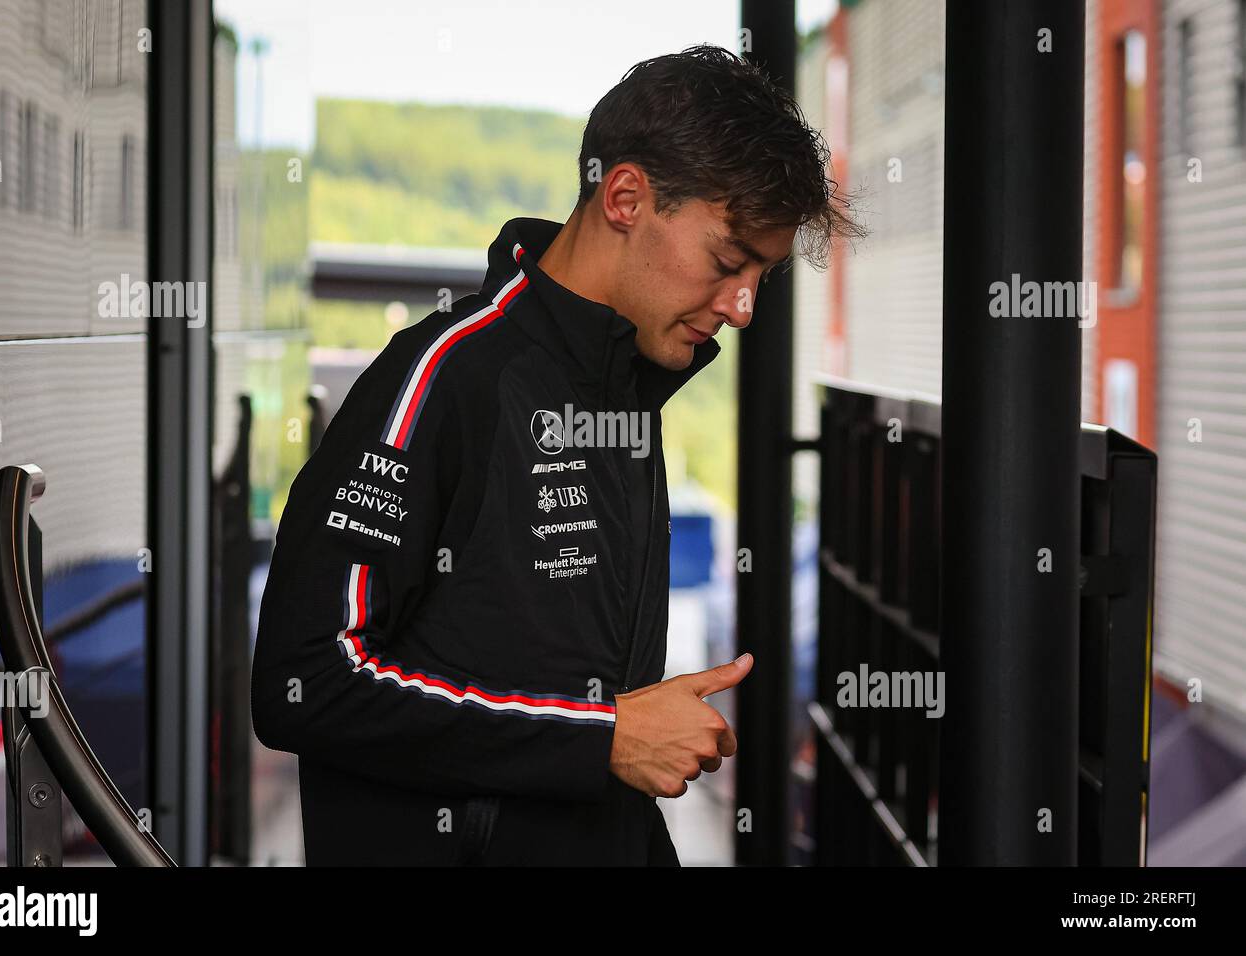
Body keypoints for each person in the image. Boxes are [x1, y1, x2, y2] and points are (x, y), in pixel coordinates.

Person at [251, 43, 857, 866]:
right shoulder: (443, 378)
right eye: (726, 262)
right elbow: (304, 683)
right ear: (626, 196)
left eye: (760, 275)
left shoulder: (625, 389)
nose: (743, 307)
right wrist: (600, 738)